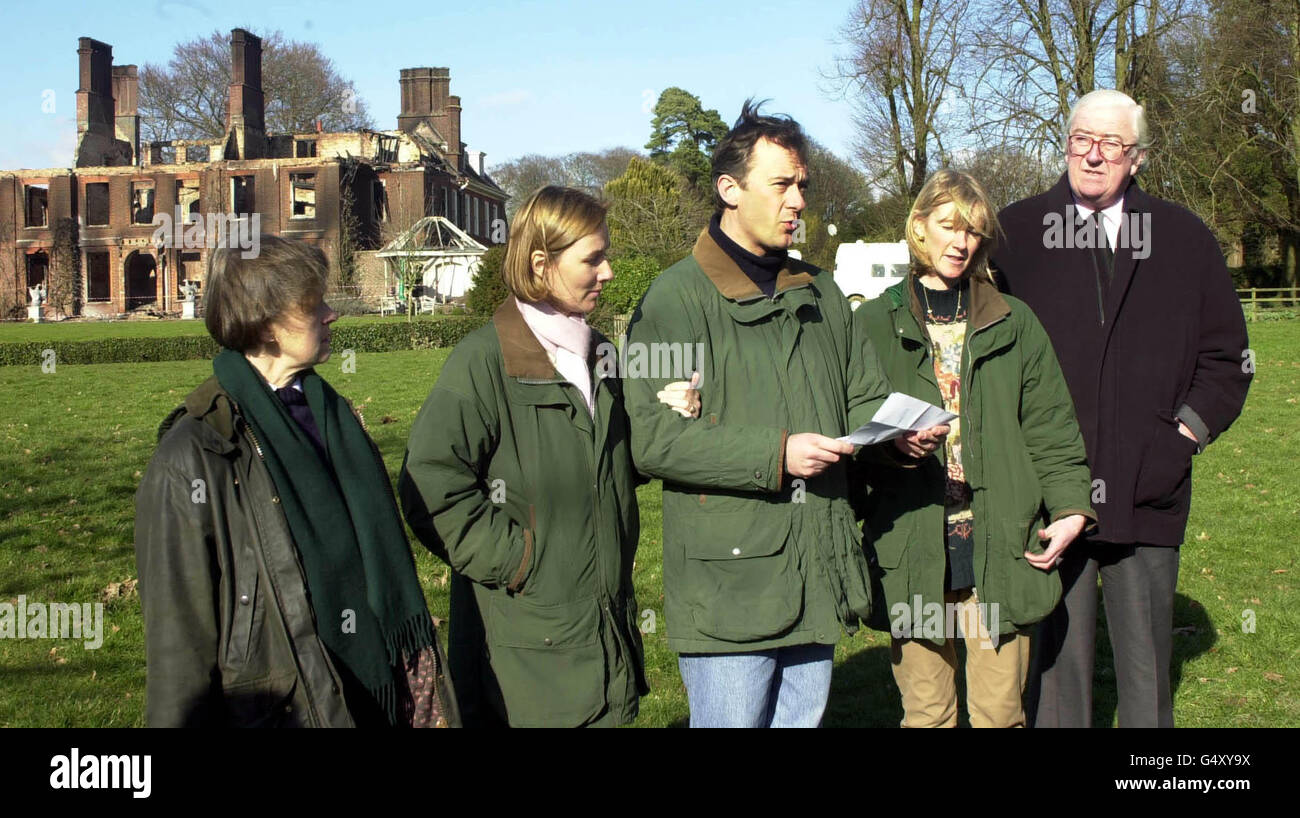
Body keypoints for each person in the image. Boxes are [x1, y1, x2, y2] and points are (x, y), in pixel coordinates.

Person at [622, 100, 931, 728]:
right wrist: (778, 454)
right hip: (731, 585)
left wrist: (894, 437)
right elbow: (655, 441)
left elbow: (862, 396)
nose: (797, 202)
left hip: (817, 563)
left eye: (803, 186)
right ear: (729, 189)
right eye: (782, 185)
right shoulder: (674, 300)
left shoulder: (821, 292)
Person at [993, 89, 1253, 728]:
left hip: (1149, 486)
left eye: (1112, 143)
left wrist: (1180, 440)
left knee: (1145, 684)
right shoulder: (1015, 235)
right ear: (1065, 143)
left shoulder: (1185, 239)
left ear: (1137, 157)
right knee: (1055, 686)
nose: (1093, 154)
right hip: (1049, 492)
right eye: (1082, 138)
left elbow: (1228, 360)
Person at [397, 186, 700, 727]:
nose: (607, 271)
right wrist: (520, 561)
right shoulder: (482, 363)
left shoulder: (601, 353)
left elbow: (611, 463)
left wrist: (662, 415)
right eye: (593, 258)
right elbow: (429, 485)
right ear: (541, 263)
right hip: (526, 656)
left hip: (601, 634)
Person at [134, 234, 454, 727]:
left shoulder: (334, 417)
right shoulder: (195, 455)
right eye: (313, 305)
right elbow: (179, 648)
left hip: (384, 690)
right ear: (266, 326)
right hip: (286, 707)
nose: (331, 314)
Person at [854, 169, 1095, 727]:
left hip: (999, 545)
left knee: (999, 716)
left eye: (974, 232)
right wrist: (891, 448)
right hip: (911, 543)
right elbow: (847, 427)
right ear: (919, 227)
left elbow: (1052, 428)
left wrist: (1070, 507)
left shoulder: (1016, 322)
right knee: (928, 716)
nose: (960, 242)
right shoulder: (870, 323)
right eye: (948, 226)